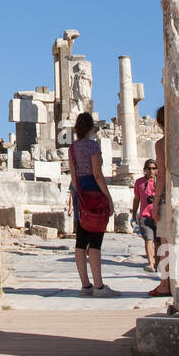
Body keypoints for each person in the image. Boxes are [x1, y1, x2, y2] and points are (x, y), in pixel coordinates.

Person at [68, 112, 118, 297]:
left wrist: (76, 194)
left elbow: (73, 175)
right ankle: (99, 286)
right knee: (95, 241)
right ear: (91, 128)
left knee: (81, 242)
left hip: (79, 193)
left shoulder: (72, 148)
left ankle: (85, 285)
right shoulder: (92, 146)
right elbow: (97, 174)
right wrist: (109, 197)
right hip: (95, 192)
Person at [148, 107, 171, 297]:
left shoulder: (161, 144)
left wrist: (155, 203)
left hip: (166, 197)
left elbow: (161, 176)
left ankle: (165, 283)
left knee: (164, 244)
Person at [134, 158, 158, 273]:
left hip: (158, 216)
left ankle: (158, 263)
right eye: (149, 168)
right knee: (149, 239)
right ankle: (151, 263)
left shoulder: (159, 182)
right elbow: (137, 198)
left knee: (158, 242)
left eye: (154, 168)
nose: (151, 171)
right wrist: (134, 214)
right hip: (145, 216)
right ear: (145, 170)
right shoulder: (139, 182)